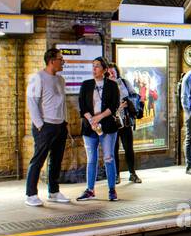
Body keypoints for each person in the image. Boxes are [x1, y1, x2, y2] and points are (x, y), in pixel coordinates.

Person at [25, 46, 70, 205]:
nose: (63, 62)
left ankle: (54, 192)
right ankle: (31, 194)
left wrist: (65, 122)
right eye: (60, 59)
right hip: (45, 126)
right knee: (38, 160)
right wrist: (39, 125)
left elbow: (62, 103)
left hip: (60, 125)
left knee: (56, 161)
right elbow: (32, 103)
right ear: (52, 61)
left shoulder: (60, 79)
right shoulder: (37, 78)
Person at [77, 58, 120, 201]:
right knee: (91, 159)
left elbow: (114, 106)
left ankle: (112, 189)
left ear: (104, 69)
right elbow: (82, 106)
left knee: (108, 158)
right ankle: (90, 190)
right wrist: (91, 120)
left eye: (97, 66)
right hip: (90, 127)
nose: (94, 69)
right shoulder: (86, 85)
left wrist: (99, 117)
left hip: (107, 126)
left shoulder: (112, 85)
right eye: (93, 66)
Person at [110, 63, 142, 184]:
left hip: (126, 120)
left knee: (129, 148)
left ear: (117, 72)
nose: (112, 74)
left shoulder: (124, 82)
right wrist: (117, 106)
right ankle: (116, 175)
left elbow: (135, 96)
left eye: (113, 72)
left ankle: (132, 173)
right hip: (113, 122)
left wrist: (128, 102)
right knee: (114, 149)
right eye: (109, 73)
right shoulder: (106, 86)